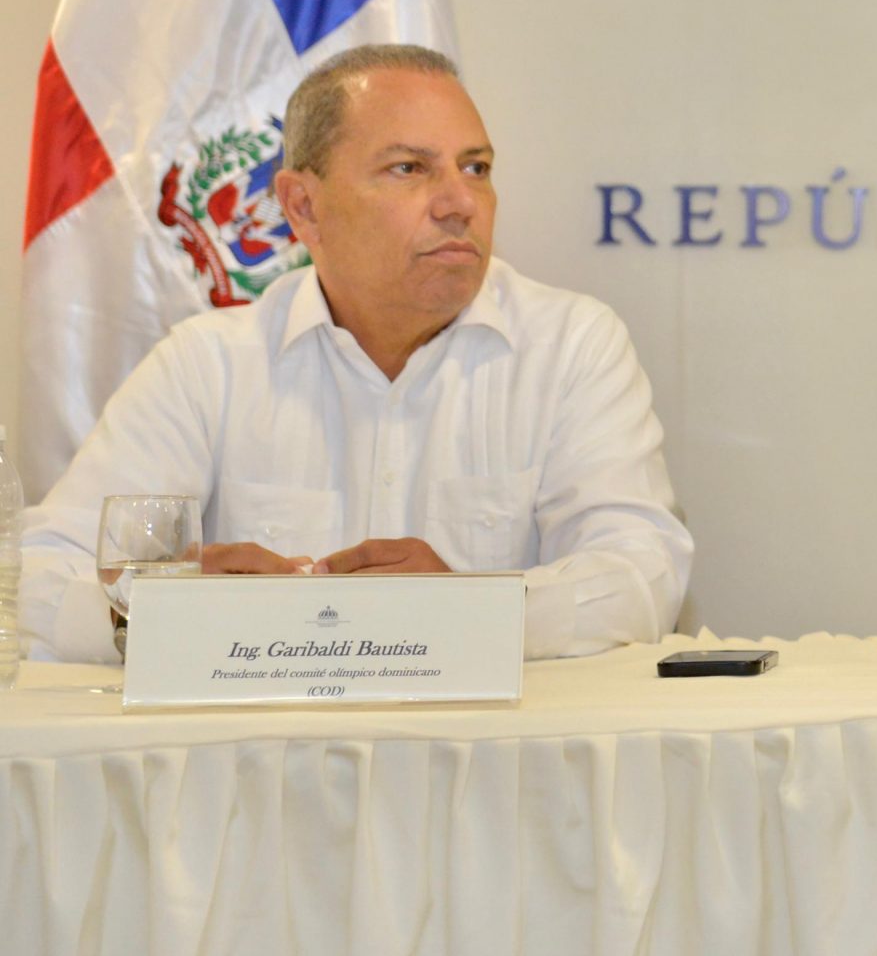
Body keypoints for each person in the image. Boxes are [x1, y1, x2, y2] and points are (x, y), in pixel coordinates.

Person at [20, 45, 691, 661]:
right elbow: (35, 576)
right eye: (409, 168)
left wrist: (470, 612)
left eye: (477, 168)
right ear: (303, 206)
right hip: (269, 754)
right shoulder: (209, 366)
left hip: (488, 754)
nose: (461, 202)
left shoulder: (570, 346)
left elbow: (642, 574)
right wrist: (165, 615)